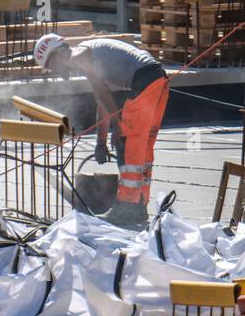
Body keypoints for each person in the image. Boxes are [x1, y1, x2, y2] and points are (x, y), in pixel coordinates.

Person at [33, 33, 169, 226]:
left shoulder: (78, 55)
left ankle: (126, 208)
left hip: (144, 80)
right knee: (142, 149)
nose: (54, 70)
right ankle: (138, 206)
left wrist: (117, 125)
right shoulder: (93, 55)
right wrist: (101, 141)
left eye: (51, 65)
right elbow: (102, 102)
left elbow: (100, 90)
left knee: (128, 144)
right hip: (157, 80)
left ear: (57, 54)